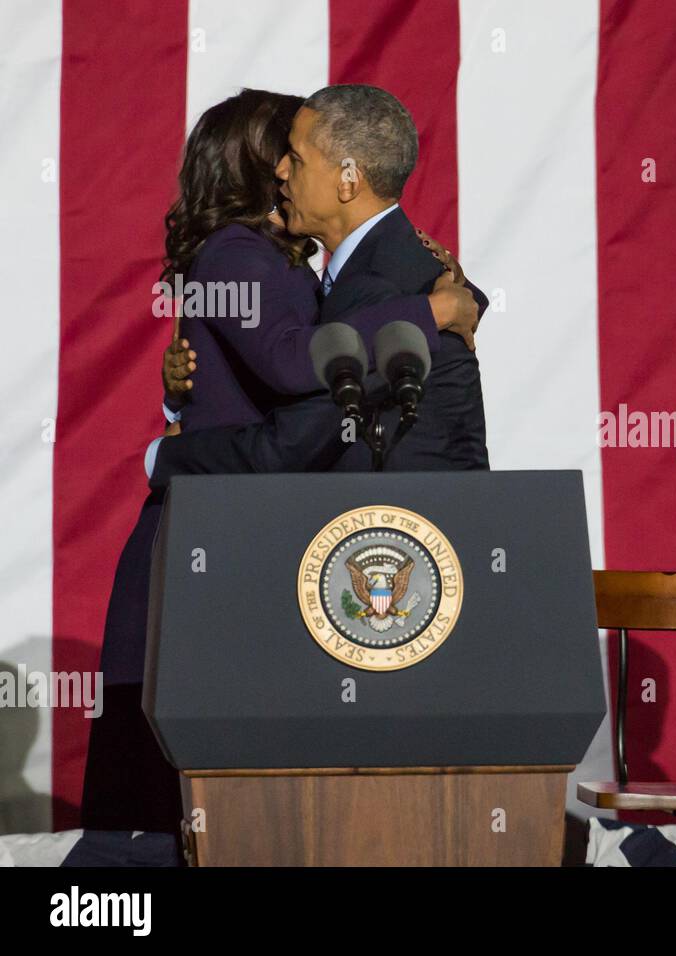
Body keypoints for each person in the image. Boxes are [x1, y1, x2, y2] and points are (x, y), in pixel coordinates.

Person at [80, 88, 480, 837]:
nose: (294, 169)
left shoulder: (286, 262)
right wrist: (430, 311)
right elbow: (298, 365)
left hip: (241, 523)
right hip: (205, 529)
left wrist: (177, 410)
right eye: (287, 152)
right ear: (255, 162)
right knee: (161, 792)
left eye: (304, 155)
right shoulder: (239, 252)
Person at [148, 83, 489, 482]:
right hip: (367, 525)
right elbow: (287, 359)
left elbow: (292, 442)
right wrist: (436, 310)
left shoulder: (376, 282)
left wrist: (168, 453)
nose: (282, 172)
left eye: (295, 157)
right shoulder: (247, 254)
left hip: (411, 529)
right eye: (282, 154)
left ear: (347, 181)